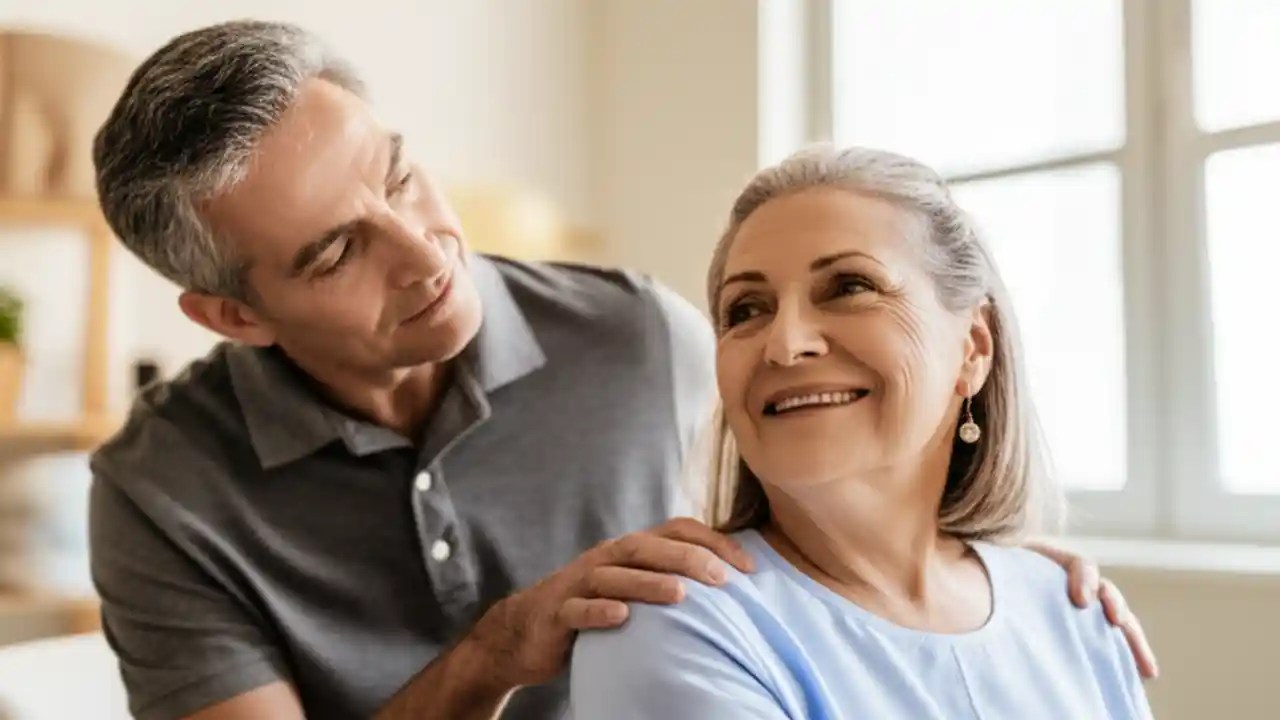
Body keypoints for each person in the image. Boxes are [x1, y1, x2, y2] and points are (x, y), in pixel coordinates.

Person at [86, 21, 1154, 720]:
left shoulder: (639, 336)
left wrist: (995, 582)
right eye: (334, 252)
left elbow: (833, 446)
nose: (422, 251)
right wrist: (491, 652)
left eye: (401, 178)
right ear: (231, 314)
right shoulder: (162, 489)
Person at [571, 145, 1155, 719]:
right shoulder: (667, 624)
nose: (785, 342)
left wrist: (1042, 595)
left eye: (850, 287)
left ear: (974, 346)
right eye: (747, 309)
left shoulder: (1071, 608)